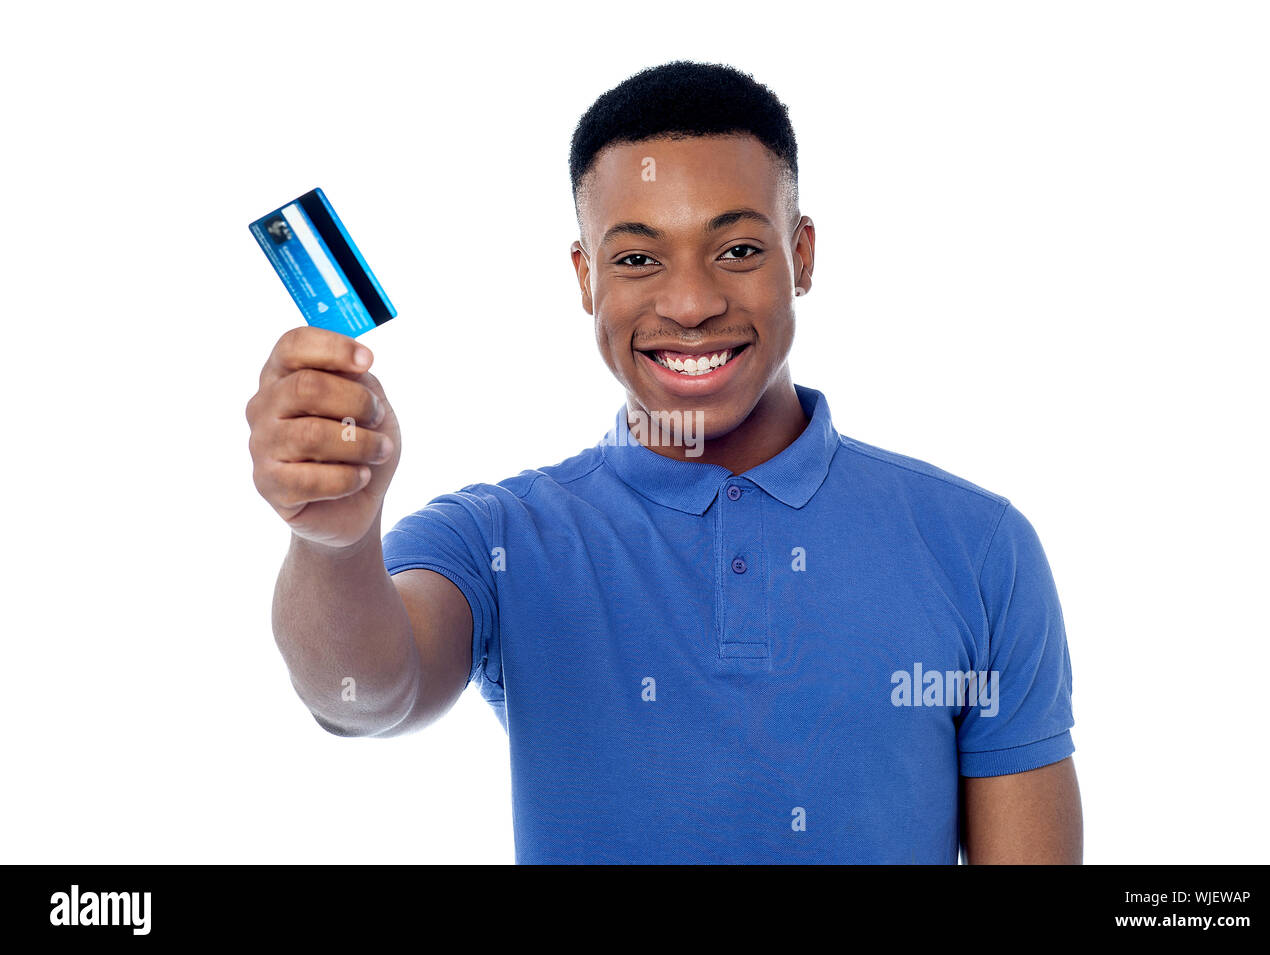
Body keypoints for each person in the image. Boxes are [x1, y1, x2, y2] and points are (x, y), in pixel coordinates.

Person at [245, 60, 1082, 864]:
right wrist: (333, 543)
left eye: (740, 251)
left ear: (804, 257)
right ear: (585, 278)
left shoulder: (979, 547)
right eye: (638, 258)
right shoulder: (498, 539)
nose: (690, 304)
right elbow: (361, 693)